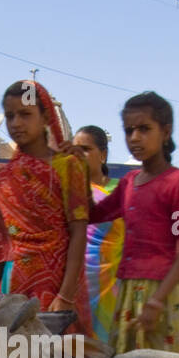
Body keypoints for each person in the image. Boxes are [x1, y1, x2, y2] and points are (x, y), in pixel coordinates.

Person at [89, 92, 179, 358]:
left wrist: (157, 300)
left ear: (166, 132)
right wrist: (71, 169)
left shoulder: (177, 183)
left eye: (144, 129)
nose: (134, 138)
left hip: (166, 298)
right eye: (129, 130)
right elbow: (93, 214)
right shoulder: (129, 182)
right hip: (130, 294)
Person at [0, 80, 90, 336]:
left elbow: (78, 234)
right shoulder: (3, 178)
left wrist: (66, 296)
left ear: (45, 117)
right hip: (16, 292)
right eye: (9, 116)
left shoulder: (68, 167)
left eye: (25, 114)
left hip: (59, 288)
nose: (16, 123)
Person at [72, 124, 124, 343]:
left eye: (85, 149)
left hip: (114, 285)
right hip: (75, 287)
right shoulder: (66, 192)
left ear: (102, 155)